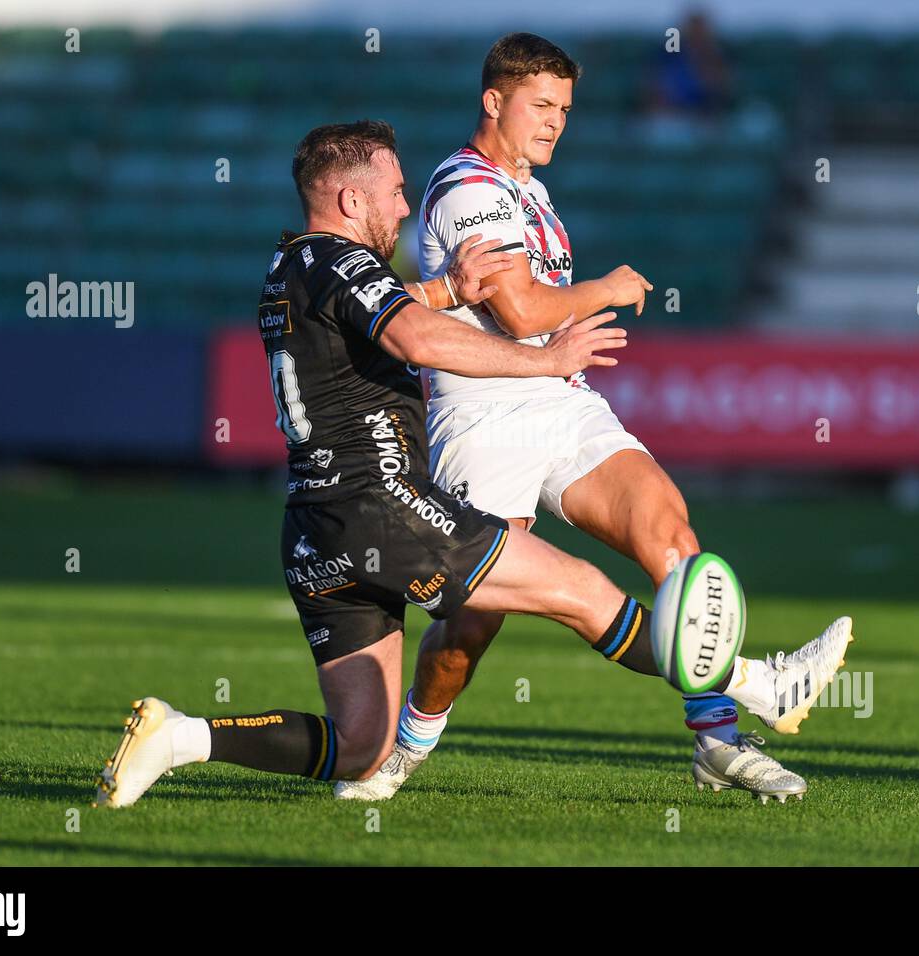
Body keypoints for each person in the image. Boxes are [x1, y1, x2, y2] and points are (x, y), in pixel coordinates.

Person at [94, 120, 800, 808]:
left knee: (361, 744)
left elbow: (383, 315)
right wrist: (543, 360)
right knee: (580, 591)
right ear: (349, 199)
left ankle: (180, 737)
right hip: (384, 506)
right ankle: (758, 684)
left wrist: (449, 291)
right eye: (395, 191)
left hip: (316, 529)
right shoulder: (341, 260)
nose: (406, 206)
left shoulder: (292, 265)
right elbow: (413, 336)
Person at [332, 35, 854, 805]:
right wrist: (603, 287)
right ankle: (404, 750)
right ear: (494, 101)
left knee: (669, 532)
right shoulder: (465, 185)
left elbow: (534, 317)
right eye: (541, 105)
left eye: (565, 109)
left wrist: (568, 332)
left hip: (561, 399)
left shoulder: (530, 191)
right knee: (470, 629)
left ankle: (716, 739)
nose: (555, 122)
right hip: (482, 413)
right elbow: (516, 311)